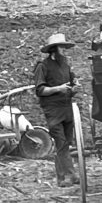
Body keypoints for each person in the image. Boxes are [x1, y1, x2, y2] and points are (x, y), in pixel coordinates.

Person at [32, 32, 79, 187]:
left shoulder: (65, 64)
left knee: (66, 143)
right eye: (62, 48)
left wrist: (75, 87)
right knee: (61, 142)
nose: (64, 51)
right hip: (53, 111)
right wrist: (58, 89)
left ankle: (62, 178)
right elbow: (40, 90)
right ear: (54, 49)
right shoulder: (42, 66)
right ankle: (70, 174)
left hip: (67, 108)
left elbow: (72, 83)